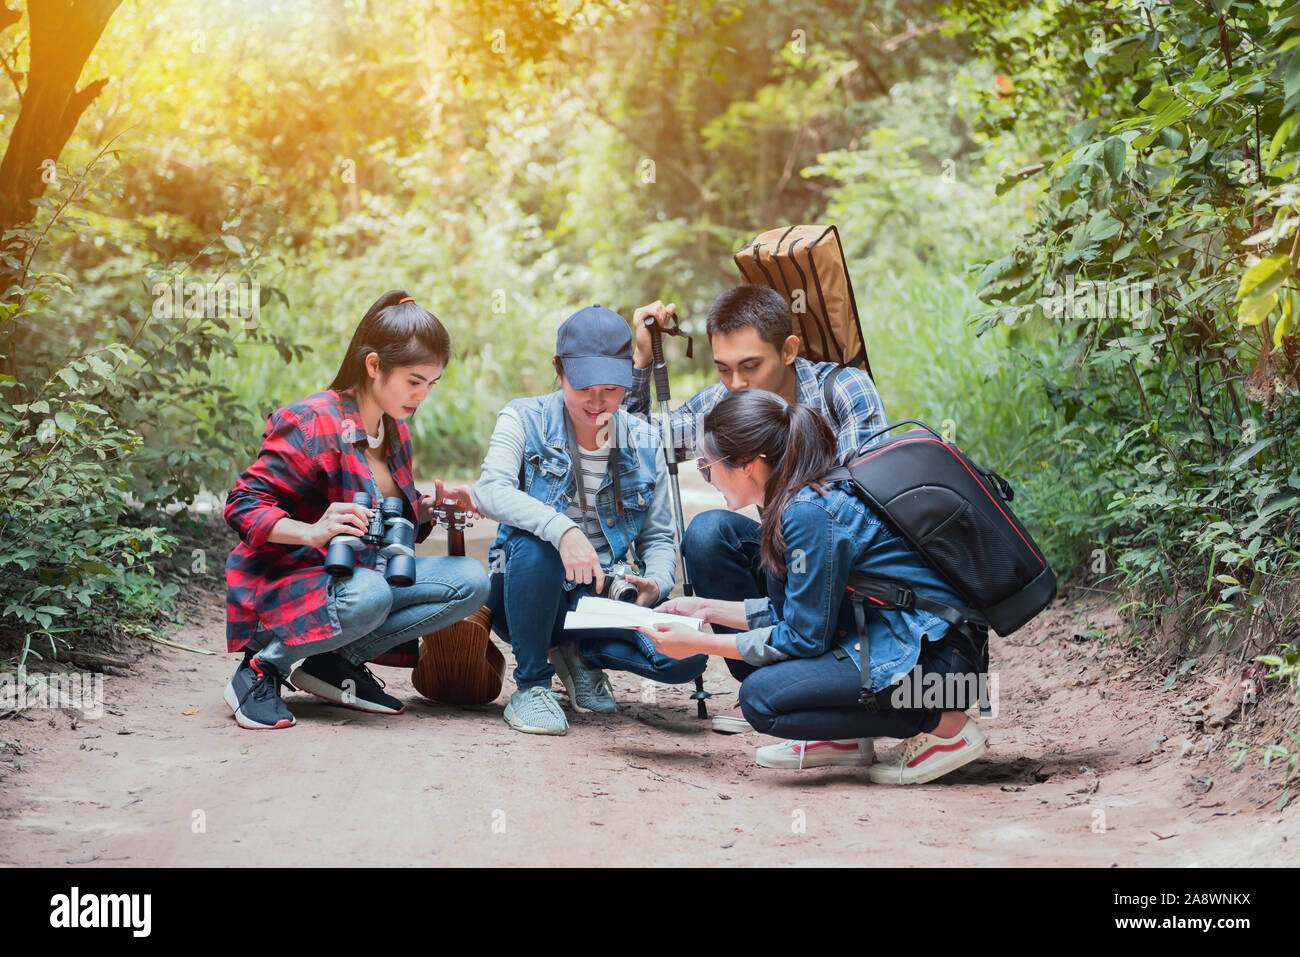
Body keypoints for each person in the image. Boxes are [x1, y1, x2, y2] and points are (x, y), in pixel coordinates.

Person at [637, 388, 989, 785]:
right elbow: (802, 612)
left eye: (707, 465)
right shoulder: (797, 499)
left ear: (748, 465)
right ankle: (844, 738)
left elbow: (802, 638)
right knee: (768, 687)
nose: (707, 476)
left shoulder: (807, 512)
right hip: (908, 647)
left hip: (939, 664)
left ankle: (947, 727)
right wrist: (704, 610)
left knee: (762, 699)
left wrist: (699, 643)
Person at [626, 285, 891, 733]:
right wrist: (641, 361)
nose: (737, 385)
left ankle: (807, 676)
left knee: (798, 529)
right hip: (784, 568)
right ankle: (776, 684)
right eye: (725, 370)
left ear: (788, 350)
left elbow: (870, 500)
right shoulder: (721, 403)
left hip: (844, 566)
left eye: (750, 366)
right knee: (709, 532)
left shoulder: (842, 389)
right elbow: (635, 441)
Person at [223, 290, 491, 730]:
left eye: (431, 384)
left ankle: (332, 663)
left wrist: (430, 510)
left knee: (472, 582)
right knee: (371, 592)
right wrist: (312, 531)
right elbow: (243, 505)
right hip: (295, 583)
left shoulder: (395, 431)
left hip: (360, 579)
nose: (422, 395)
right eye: (414, 380)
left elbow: (386, 523)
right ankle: (261, 668)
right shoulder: (311, 421)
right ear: (373, 365)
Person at [473, 305, 708, 736]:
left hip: (599, 599)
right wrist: (562, 530)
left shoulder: (643, 439)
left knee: (686, 658)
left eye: (613, 389)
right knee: (536, 545)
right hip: (524, 592)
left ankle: (578, 654)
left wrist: (655, 582)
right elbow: (489, 491)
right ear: (558, 370)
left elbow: (657, 536)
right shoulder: (524, 418)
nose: (598, 404)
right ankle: (532, 685)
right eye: (584, 387)